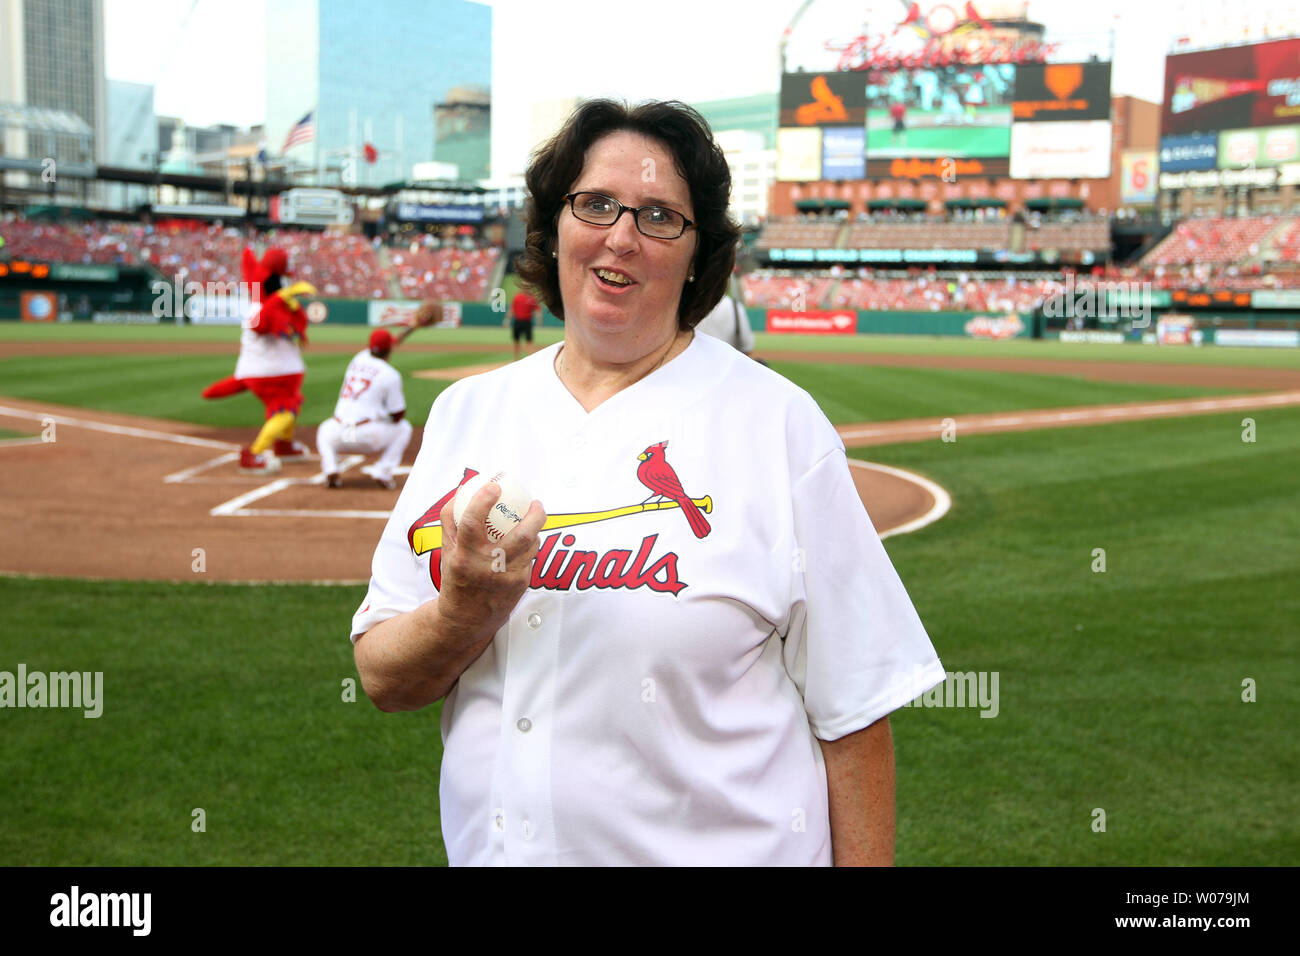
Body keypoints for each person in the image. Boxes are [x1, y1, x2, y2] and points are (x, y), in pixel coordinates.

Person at [348, 99, 943, 866]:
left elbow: (855, 719)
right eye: (594, 204)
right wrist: (465, 611)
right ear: (554, 225)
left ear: (699, 255)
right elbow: (383, 678)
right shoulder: (469, 412)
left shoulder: (779, 427)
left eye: (661, 216)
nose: (620, 236)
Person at [200, 247, 315, 473]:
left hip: (274, 370)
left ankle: (284, 445)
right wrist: (282, 297)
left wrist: (287, 302)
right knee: (284, 410)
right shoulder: (260, 307)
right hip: (266, 373)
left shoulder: (273, 303)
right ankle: (253, 454)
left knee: (292, 402)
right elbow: (261, 325)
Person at [316, 327, 415, 491]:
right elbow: (398, 414)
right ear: (389, 350)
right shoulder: (390, 374)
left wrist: (412, 328)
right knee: (404, 428)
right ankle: (383, 472)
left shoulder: (358, 359)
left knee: (324, 429)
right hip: (367, 437)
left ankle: (331, 468)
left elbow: (388, 343)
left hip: (338, 434)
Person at [694, 271, 756, 357]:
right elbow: (747, 347)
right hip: (726, 363)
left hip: (695, 362)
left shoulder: (688, 306)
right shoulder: (734, 306)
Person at [509, 288, 540, 360]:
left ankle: (532, 359)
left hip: (526, 322)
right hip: (518, 321)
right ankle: (515, 359)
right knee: (516, 341)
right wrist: (507, 320)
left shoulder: (530, 298)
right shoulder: (517, 297)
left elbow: (537, 310)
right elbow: (512, 309)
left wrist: (538, 320)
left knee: (529, 341)